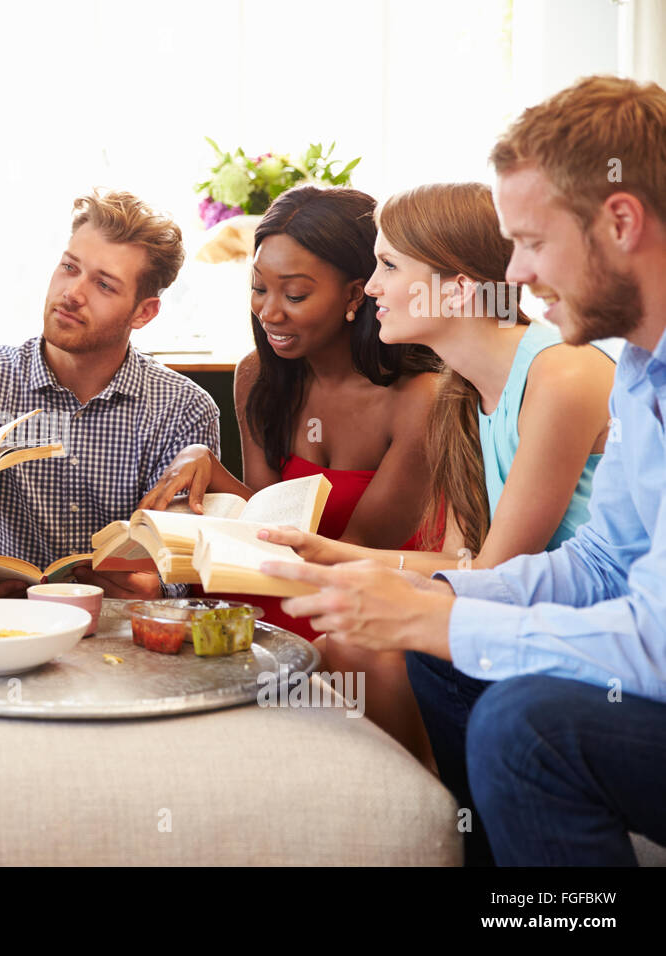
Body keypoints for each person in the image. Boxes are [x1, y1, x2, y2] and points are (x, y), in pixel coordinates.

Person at [265, 75, 666, 866]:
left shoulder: (569, 370)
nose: (511, 276)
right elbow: (595, 563)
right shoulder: (637, 374)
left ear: (620, 220)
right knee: (438, 655)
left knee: (524, 727)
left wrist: (438, 615)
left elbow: (654, 639)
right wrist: (433, 597)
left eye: (534, 242)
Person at [138, 185, 443, 763]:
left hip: (350, 600)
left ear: (358, 293)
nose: (269, 312)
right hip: (274, 581)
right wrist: (208, 465)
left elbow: (353, 550)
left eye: (295, 294)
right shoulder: (260, 375)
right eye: (258, 288)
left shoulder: (419, 398)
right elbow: (270, 509)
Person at [260, 182, 613, 572]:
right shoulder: (459, 390)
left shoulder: (562, 376)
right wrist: (319, 551)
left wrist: (334, 559)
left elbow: (498, 573)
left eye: (390, 266)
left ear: (457, 290)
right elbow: (458, 562)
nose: (372, 287)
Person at [0, 189, 221, 604]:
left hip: (124, 639)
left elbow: (180, 550)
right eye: (69, 267)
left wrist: (158, 587)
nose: (72, 292)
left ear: (144, 313)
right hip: (4, 625)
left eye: (104, 285)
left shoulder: (185, 409)